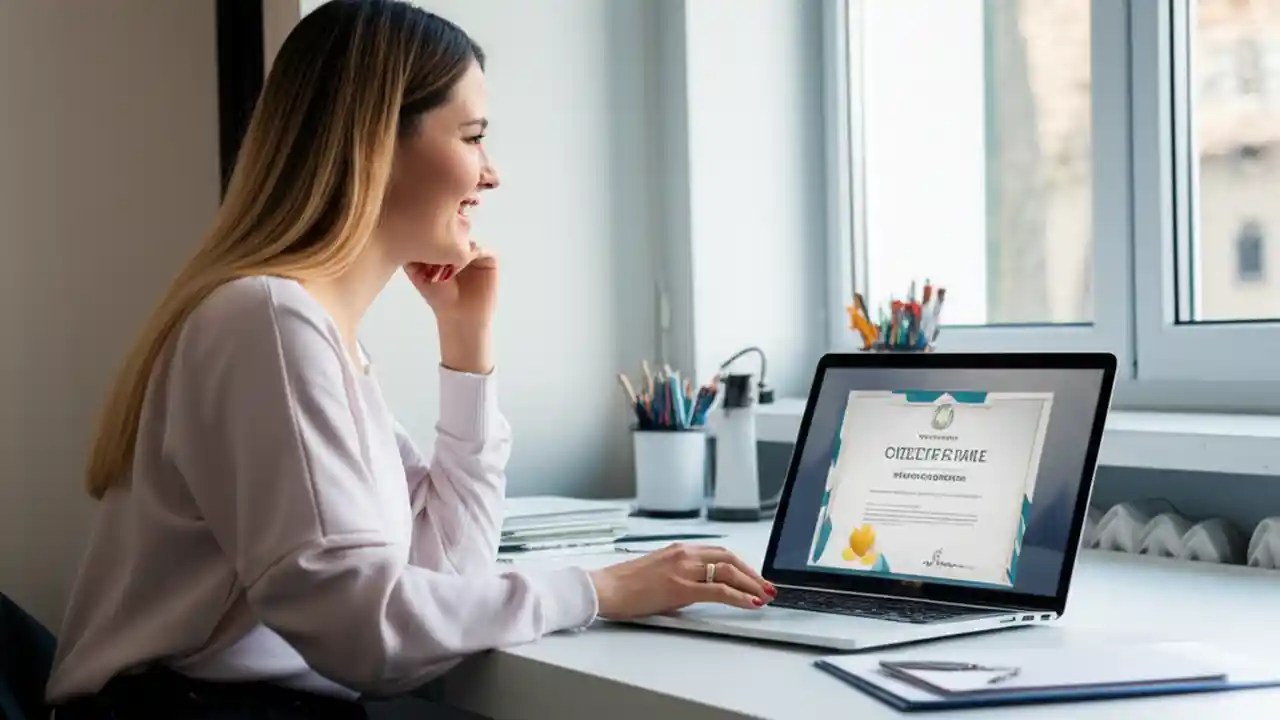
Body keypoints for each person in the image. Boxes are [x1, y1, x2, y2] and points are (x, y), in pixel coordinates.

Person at [44, 2, 774, 718]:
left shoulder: (318, 335)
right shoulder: (266, 321)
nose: (491, 176)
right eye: (474, 136)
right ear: (375, 143)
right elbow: (363, 629)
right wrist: (600, 589)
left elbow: (448, 569)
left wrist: (467, 354)